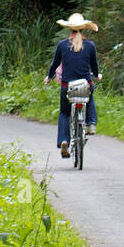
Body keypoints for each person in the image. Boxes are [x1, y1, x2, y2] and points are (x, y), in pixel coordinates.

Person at [44, 13, 102, 157]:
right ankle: (91, 123)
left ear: (69, 29)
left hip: (67, 87)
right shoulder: (90, 45)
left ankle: (64, 140)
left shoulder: (62, 45)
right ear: (83, 29)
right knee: (90, 95)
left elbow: (55, 64)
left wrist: (49, 77)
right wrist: (97, 75)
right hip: (84, 85)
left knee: (64, 113)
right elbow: (94, 67)